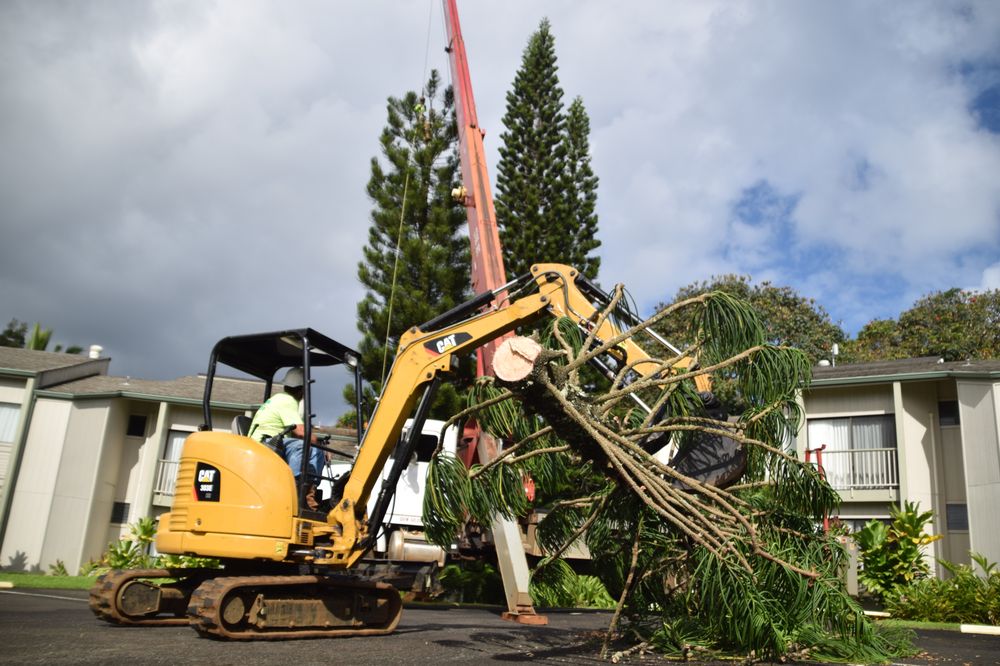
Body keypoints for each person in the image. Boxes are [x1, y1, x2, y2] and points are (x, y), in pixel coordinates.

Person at [246, 367, 325, 510]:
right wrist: (319, 443)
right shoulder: (287, 401)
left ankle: (308, 494)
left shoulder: (277, 399)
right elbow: (301, 432)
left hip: (264, 441)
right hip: (268, 443)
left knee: (313, 449)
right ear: (302, 390)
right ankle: (295, 492)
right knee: (306, 447)